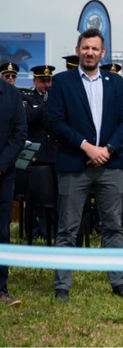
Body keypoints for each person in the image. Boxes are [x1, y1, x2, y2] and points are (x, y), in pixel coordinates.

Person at [46, 28, 123, 302]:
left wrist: (107, 150)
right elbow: (55, 122)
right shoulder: (62, 82)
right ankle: (62, 285)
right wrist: (87, 146)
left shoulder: (115, 82)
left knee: (113, 226)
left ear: (103, 53)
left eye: (95, 48)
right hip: (75, 164)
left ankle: (118, 282)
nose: (90, 52)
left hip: (110, 165)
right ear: (77, 50)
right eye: (85, 47)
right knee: (68, 227)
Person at [0, 75, 27, 306]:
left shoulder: (11, 95)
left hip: (2, 176)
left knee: (1, 233)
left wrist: (1, 166)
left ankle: (1, 288)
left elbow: (19, 135)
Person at [23, 65, 58, 241]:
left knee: (51, 198)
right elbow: (27, 118)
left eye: (48, 80)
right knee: (34, 197)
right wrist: (45, 104)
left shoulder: (55, 99)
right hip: (35, 156)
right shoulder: (27, 99)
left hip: (52, 154)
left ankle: (50, 229)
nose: (46, 84)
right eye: (42, 81)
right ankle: (34, 229)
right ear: (35, 81)